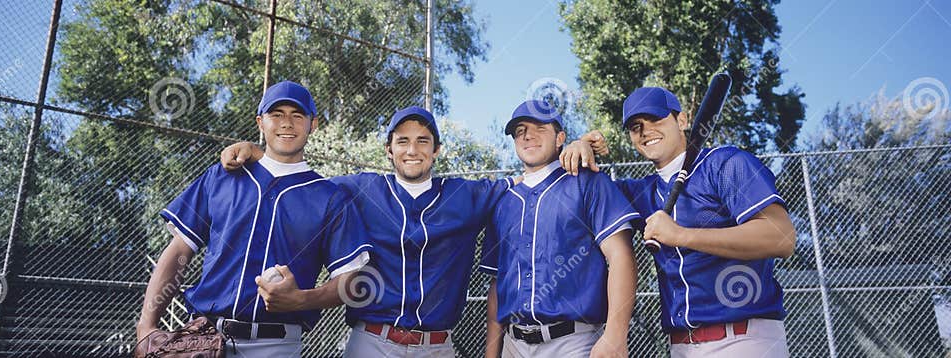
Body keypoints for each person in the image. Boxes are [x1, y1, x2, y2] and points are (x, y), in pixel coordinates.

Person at [223, 106, 609, 357]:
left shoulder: (470, 194)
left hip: (437, 345)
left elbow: (534, 181)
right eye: (402, 140)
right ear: (388, 149)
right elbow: (302, 185)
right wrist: (263, 155)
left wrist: (573, 145)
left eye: (423, 140)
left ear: (437, 150)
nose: (412, 149)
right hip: (370, 341)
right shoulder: (359, 189)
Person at [137, 80, 371, 357]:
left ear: (313, 124)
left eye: (297, 115)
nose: (287, 123)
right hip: (202, 337)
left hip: (276, 345)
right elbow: (179, 249)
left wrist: (300, 300)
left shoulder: (330, 198)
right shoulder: (222, 176)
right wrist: (146, 326)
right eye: (276, 114)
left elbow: (350, 281)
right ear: (261, 122)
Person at [561, 86, 797, 357]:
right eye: (636, 126)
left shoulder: (726, 163)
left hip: (743, 339)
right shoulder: (642, 192)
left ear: (682, 121)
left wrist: (681, 235)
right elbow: (580, 196)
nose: (646, 131)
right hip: (680, 345)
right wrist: (579, 148)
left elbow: (781, 237)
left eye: (656, 119)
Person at [480, 100, 640, 358]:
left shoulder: (587, 181)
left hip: (573, 343)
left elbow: (621, 256)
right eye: (520, 130)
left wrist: (615, 335)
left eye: (539, 128)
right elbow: (497, 286)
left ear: (560, 138)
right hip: (512, 344)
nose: (528, 135)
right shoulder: (503, 201)